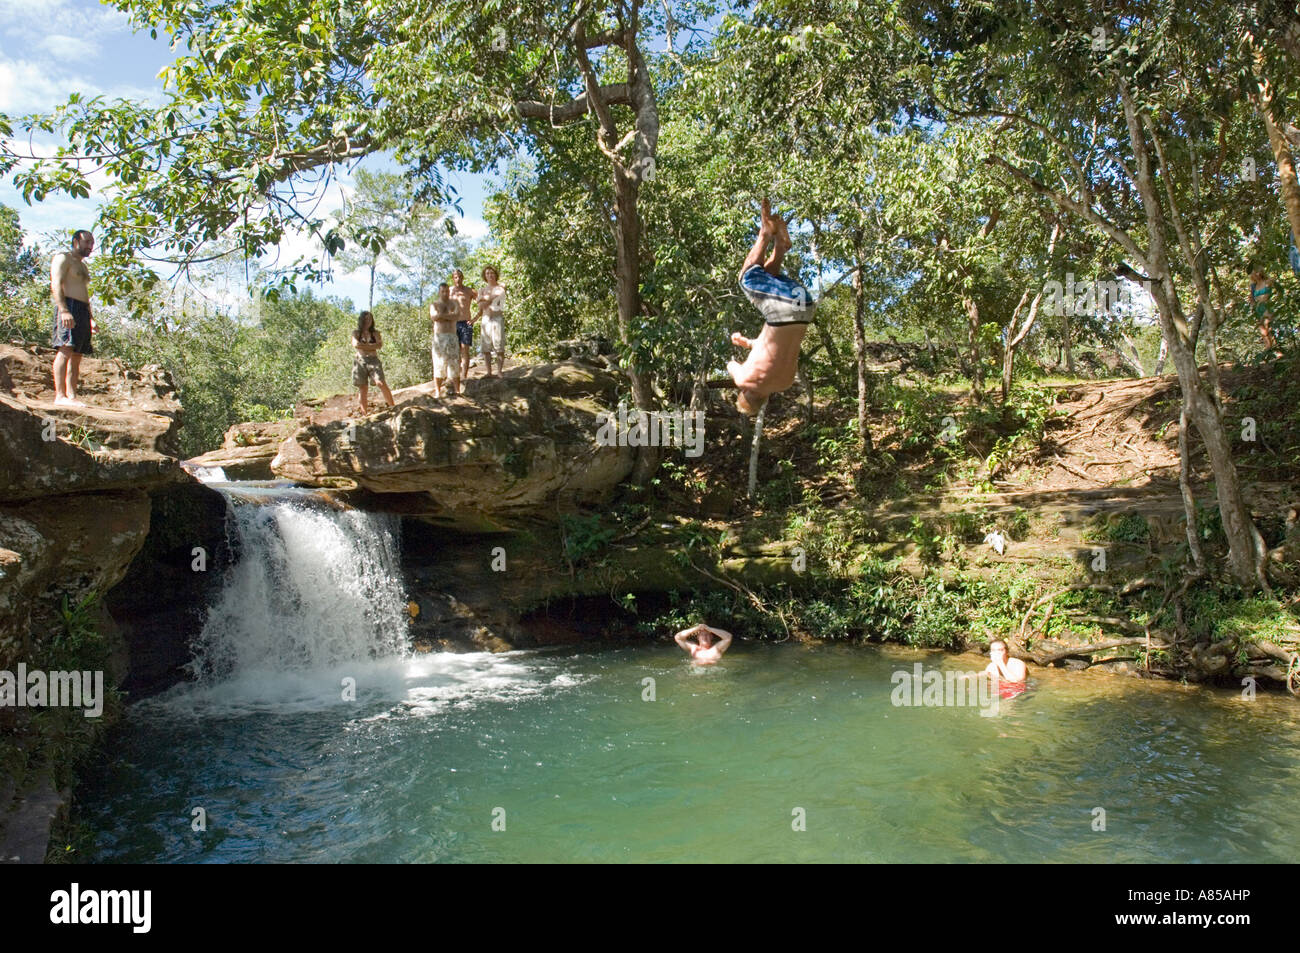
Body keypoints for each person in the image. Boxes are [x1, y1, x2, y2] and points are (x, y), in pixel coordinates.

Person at [729, 198, 814, 416]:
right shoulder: (744, 380)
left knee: (767, 276)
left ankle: (780, 247)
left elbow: (776, 348)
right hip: (782, 312)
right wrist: (736, 359)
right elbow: (732, 366)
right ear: (744, 392)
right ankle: (765, 234)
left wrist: (748, 343)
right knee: (746, 277)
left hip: (804, 307)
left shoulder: (784, 382)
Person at [50, 229, 96, 406]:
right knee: (65, 349)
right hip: (68, 306)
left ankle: (72, 396)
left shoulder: (83, 266)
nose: (90, 246)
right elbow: (56, 283)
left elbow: (84, 293)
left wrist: (91, 318)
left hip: (83, 309)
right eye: (86, 242)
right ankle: (60, 396)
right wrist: (64, 310)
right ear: (76, 241)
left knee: (77, 354)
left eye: (92, 243)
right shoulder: (63, 258)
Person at [352, 311, 395, 414]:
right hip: (360, 361)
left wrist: (365, 346)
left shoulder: (375, 333)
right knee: (363, 387)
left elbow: (379, 345)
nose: (368, 321)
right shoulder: (356, 333)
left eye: (370, 319)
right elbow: (355, 344)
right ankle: (364, 414)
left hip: (374, 361)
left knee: (380, 382)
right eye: (366, 319)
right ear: (361, 320)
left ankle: (393, 407)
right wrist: (371, 346)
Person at [430, 283, 462, 397]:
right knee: (438, 363)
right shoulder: (434, 304)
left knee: (454, 362)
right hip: (440, 337)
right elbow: (434, 317)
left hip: (452, 336)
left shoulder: (454, 303)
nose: (445, 293)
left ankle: (458, 390)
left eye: (447, 291)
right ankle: (438, 391)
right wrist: (449, 315)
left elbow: (457, 316)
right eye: (443, 291)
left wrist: (442, 316)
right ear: (439, 292)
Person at [477, 266, 507, 378]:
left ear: (496, 274)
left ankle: (499, 371)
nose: (490, 275)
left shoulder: (501, 287)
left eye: (492, 273)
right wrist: (487, 299)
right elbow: (481, 305)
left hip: (497, 318)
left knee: (499, 347)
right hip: (486, 320)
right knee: (486, 348)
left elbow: (496, 296)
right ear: (485, 275)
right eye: (487, 273)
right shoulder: (482, 289)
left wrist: (483, 298)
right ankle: (489, 372)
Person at [450, 268, 477, 381]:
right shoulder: (449, 291)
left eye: (460, 277)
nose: (458, 279)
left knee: (464, 350)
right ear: (453, 278)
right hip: (452, 324)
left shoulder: (469, 291)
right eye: (456, 277)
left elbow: (483, 303)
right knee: (453, 351)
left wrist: (475, 318)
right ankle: (454, 376)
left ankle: (464, 377)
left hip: (466, 323)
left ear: (463, 278)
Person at [1249, 267, 1279, 352]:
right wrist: (1253, 306)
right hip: (1257, 308)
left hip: (1267, 306)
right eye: (1254, 273)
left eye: (1257, 272)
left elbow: (1271, 293)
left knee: (1268, 327)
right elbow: (1251, 297)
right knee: (1262, 330)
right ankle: (1268, 349)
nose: (1256, 275)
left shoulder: (1267, 282)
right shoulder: (1253, 286)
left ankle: (1277, 350)